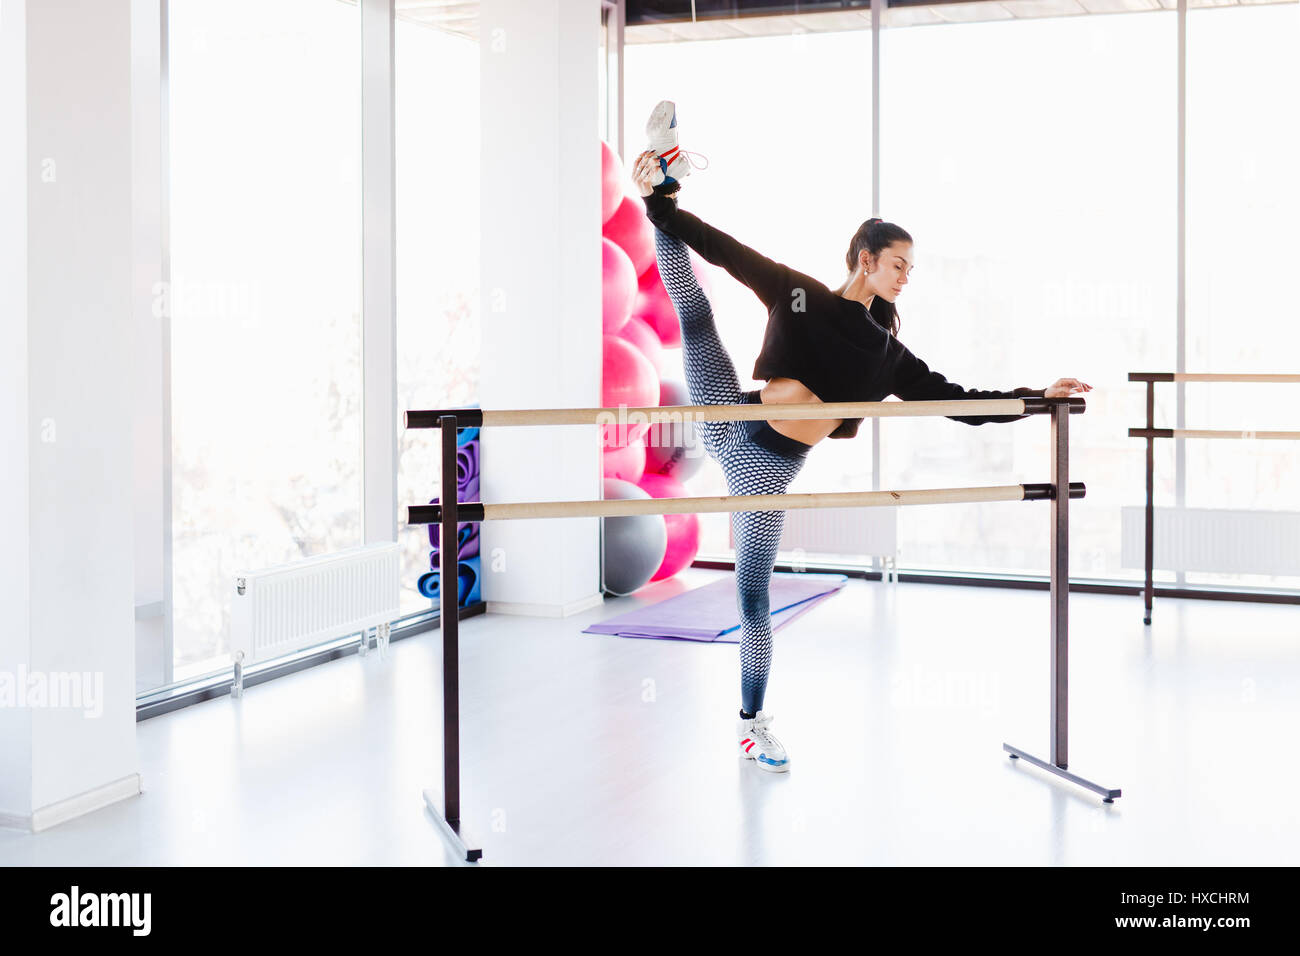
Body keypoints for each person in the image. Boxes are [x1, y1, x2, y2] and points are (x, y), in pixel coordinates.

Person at [634, 101, 1090, 773]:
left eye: (911, 268)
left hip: (766, 470)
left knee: (753, 600)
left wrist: (1034, 400)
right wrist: (663, 206)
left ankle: (750, 725)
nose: (907, 276)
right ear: (865, 259)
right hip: (731, 413)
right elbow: (728, 254)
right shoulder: (800, 296)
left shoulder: (884, 354)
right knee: (695, 315)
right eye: (899, 263)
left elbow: (956, 401)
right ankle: (663, 179)